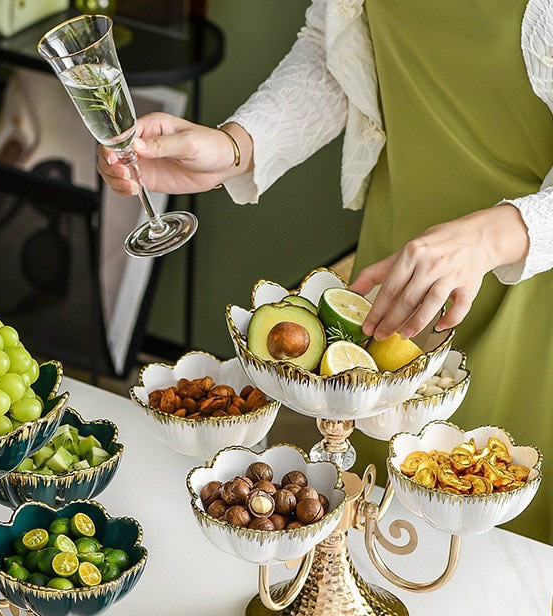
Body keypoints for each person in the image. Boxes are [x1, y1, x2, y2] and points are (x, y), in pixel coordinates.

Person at [97, 0, 553, 542]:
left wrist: (488, 236)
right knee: (379, 526)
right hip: (395, 269)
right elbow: (338, 48)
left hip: (533, 286)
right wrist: (235, 145)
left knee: (501, 542)